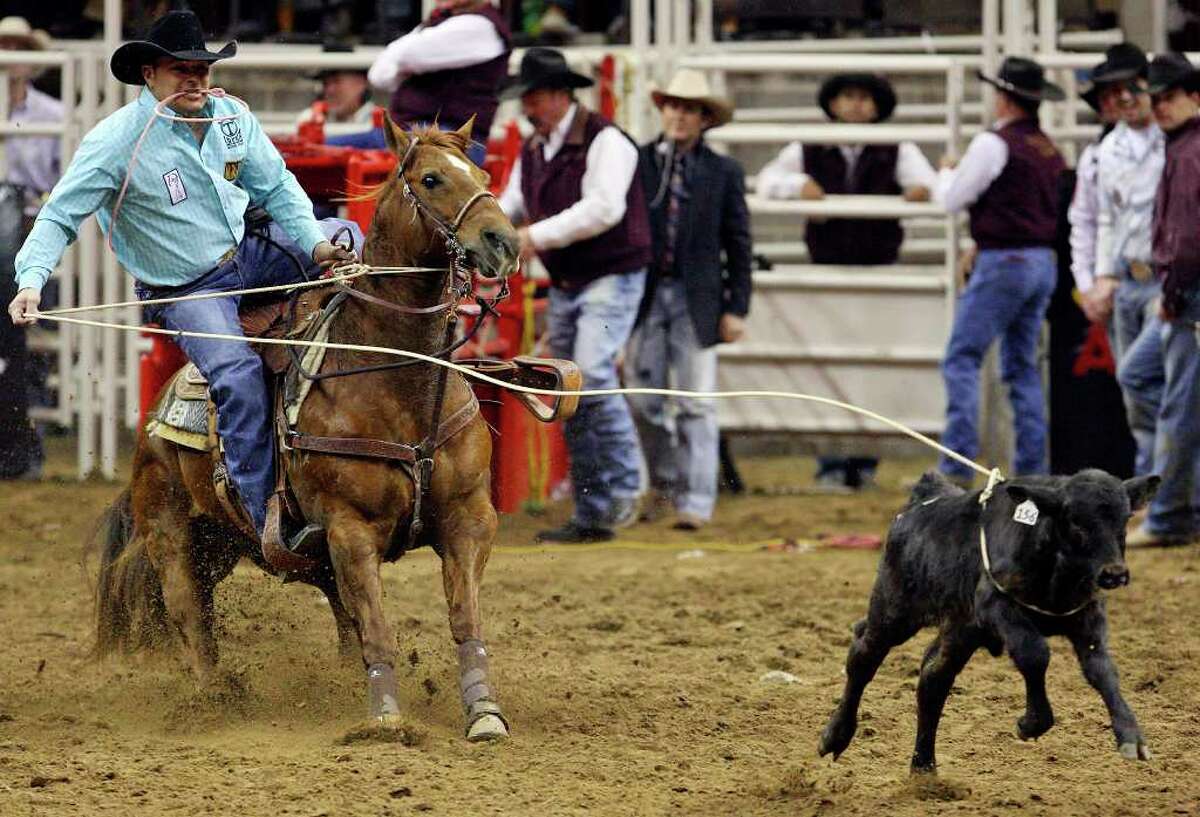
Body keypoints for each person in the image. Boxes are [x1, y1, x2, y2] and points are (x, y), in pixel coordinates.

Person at [6, 11, 360, 539]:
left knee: (351, 235)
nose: (195, 80)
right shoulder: (115, 142)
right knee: (236, 375)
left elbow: (278, 187)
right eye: (181, 70)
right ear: (149, 74)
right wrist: (31, 281)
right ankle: (265, 515)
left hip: (249, 253)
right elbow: (59, 215)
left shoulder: (231, 117)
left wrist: (316, 244)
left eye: (202, 69)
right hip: (188, 288)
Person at [497, 48, 651, 543]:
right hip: (576, 278)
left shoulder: (607, 140)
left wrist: (529, 236)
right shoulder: (539, 147)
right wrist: (492, 227)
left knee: (590, 376)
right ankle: (598, 501)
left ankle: (622, 489)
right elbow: (510, 203)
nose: (527, 106)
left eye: (534, 96)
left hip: (609, 273)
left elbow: (604, 209)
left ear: (559, 95)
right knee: (574, 383)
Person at [758, 73, 936, 491]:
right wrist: (798, 186)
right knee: (829, 369)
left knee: (872, 369)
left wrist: (919, 192)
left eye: (864, 98)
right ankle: (832, 463)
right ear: (834, 104)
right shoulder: (807, 147)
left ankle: (863, 463)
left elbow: (928, 185)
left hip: (879, 274)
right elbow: (767, 181)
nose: (856, 104)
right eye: (848, 96)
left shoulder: (898, 148)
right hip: (827, 271)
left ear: (876, 107)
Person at [625, 69, 751, 531]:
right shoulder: (638, 162)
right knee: (645, 400)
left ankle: (695, 500)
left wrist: (736, 307)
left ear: (704, 119)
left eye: (690, 109)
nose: (679, 115)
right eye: (674, 106)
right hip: (646, 294)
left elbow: (738, 242)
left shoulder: (723, 171)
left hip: (696, 298)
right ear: (664, 111)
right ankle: (665, 486)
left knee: (696, 401)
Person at [933, 56, 1066, 486]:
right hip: (1040, 260)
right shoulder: (1048, 148)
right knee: (1021, 366)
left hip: (1004, 261)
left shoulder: (994, 144)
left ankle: (957, 466)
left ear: (1004, 98)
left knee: (962, 357)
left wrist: (946, 173)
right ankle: (1032, 471)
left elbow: (952, 199)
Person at [1123, 53, 1200, 547]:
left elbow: (1188, 238)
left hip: (1188, 294)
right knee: (1143, 378)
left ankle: (1170, 516)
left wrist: (1172, 292)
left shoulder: (1189, 152)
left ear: (1194, 97)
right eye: (1156, 99)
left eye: (1169, 97)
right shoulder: (1183, 147)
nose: (1160, 107)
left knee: (1176, 407)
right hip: (1185, 291)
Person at [1090, 44, 1165, 478]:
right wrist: (1103, 274)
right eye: (1113, 90)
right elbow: (1106, 217)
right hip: (1126, 278)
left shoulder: (1177, 140)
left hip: (1165, 280)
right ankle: (1157, 484)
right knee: (1136, 395)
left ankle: (1168, 481)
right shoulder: (1109, 148)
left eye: (1131, 87)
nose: (1123, 97)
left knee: (1145, 380)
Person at [0, 16, 61, 480]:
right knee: (14, 344)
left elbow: (63, 186)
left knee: (17, 341)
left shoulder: (53, 113)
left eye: (18, 46)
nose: (11, 55)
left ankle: (21, 443)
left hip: (30, 231)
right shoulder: (52, 113)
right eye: (5, 45)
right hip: (11, 235)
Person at [368, 0, 511, 165]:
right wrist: (405, 61)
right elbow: (378, 75)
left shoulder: (480, 25)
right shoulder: (439, 22)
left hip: (449, 139)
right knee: (340, 146)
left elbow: (409, 55)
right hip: (404, 133)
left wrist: (404, 63)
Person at [1069, 43, 1137, 324]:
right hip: (1113, 275)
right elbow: (1085, 219)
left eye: (1118, 92)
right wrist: (1087, 284)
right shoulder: (1095, 156)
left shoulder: (1168, 146)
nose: (1111, 102)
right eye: (1105, 95)